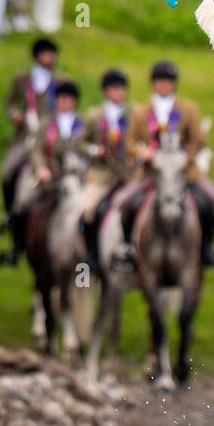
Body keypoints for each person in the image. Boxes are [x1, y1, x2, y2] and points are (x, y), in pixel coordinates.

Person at [117, 60, 214, 269]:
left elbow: (198, 140)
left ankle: (207, 249)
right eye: (160, 81)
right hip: (152, 174)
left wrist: (185, 156)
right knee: (125, 201)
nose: (164, 85)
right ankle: (128, 249)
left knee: (212, 198)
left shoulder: (188, 109)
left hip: (184, 173)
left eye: (168, 81)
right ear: (153, 84)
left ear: (174, 84)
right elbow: (129, 143)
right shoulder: (141, 112)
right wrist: (143, 152)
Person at [0, 79, 85, 265]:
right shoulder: (47, 123)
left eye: (69, 99)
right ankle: (17, 247)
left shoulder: (82, 124)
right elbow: (36, 150)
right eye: (61, 99)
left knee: (86, 212)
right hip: (48, 177)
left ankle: (86, 262)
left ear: (75, 102)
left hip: (74, 179)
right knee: (22, 204)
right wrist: (41, 168)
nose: (65, 103)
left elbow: (87, 150)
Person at [80, 69, 135, 275]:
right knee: (88, 208)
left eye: (121, 88)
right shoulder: (94, 115)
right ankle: (91, 254)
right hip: (101, 174)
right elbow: (80, 142)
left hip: (129, 173)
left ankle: (131, 249)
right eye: (113, 88)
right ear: (105, 91)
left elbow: (142, 137)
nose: (118, 92)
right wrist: (95, 150)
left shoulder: (134, 113)